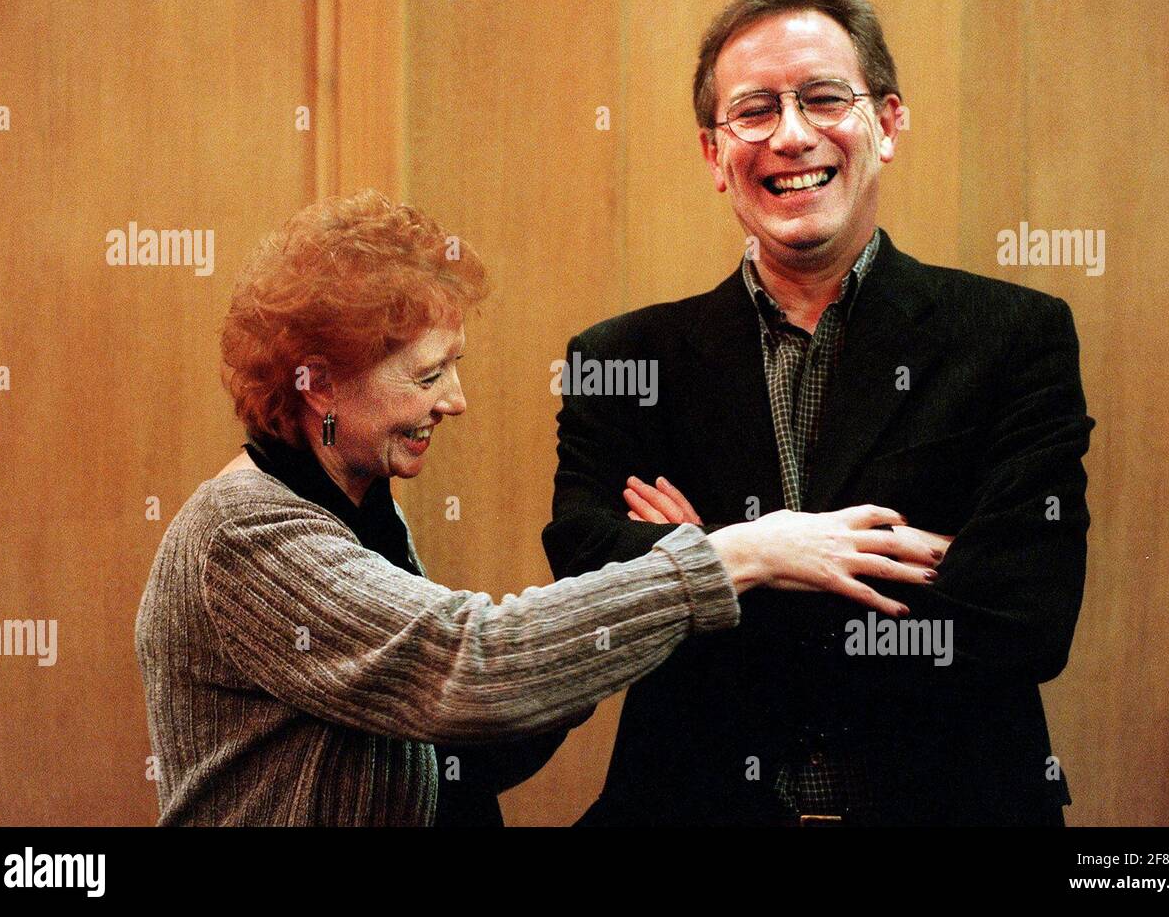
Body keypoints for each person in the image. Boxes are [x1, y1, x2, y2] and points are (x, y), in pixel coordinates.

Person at [134, 189, 940, 826]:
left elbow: (470, 743)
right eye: (426, 376)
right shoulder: (245, 533)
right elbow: (474, 666)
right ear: (317, 384)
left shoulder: (358, 502)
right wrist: (736, 555)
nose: (456, 401)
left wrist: (601, 634)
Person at [543, 0, 1095, 826]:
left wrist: (709, 568)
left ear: (889, 122)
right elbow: (592, 601)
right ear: (713, 155)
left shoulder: (1013, 337)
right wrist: (776, 552)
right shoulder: (621, 360)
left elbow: (1020, 621)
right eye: (755, 110)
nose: (792, 136)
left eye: (825, 98)